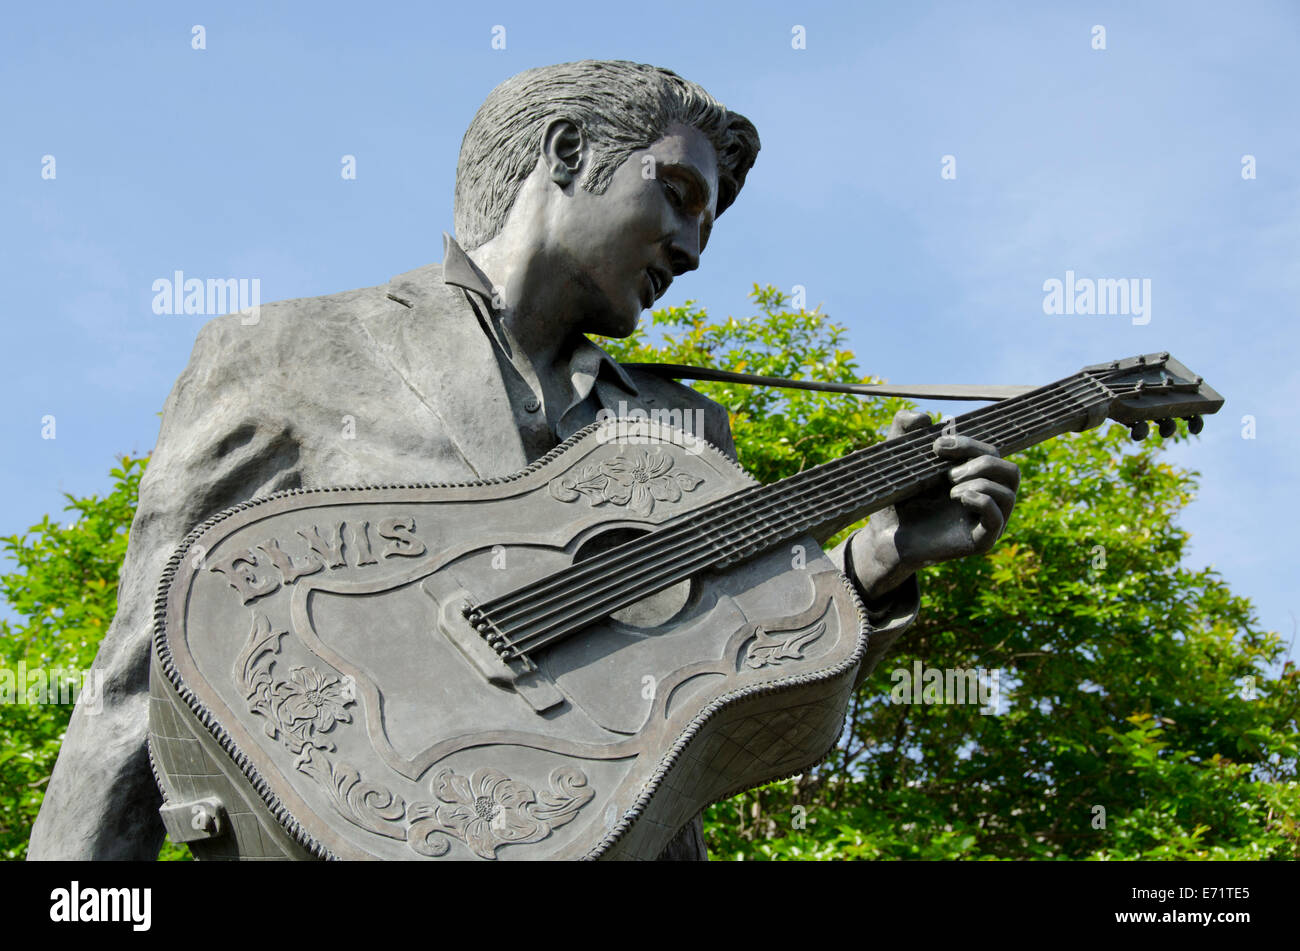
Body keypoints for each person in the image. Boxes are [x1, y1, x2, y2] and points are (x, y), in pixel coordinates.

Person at [28, 60, 1019, 861]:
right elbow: (140, 681)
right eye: (677, 197)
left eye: (708, 222)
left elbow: (736, 674)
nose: (693, 247)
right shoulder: (282, 353)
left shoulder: (685, 431)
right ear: (567, 152)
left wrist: (876, 564)